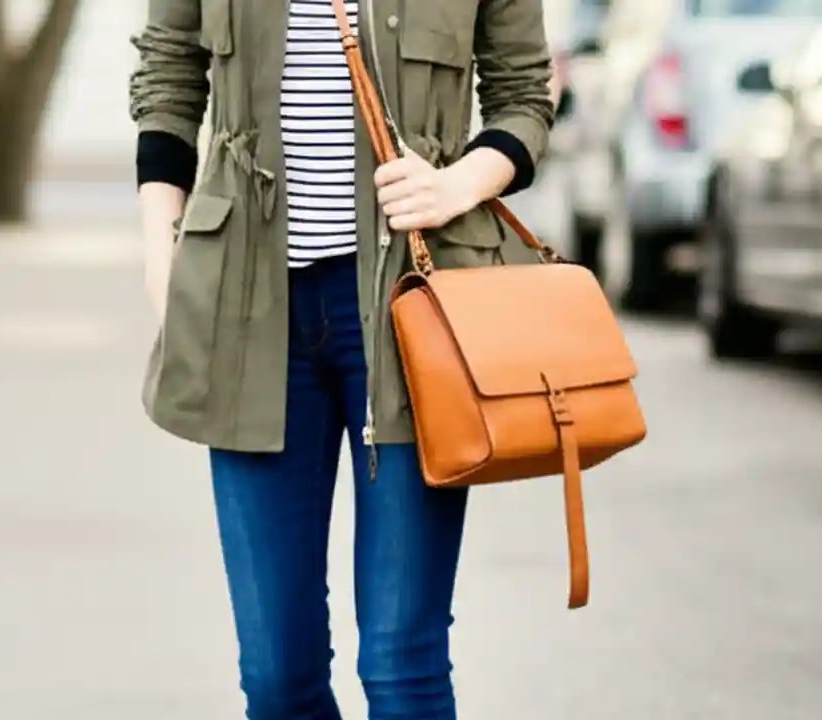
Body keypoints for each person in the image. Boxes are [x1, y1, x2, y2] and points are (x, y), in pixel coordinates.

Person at [130, 0, 551, 716]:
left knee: (400, 664)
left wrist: (455, 185)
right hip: (250, 314)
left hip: (412, 315)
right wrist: (159, 257)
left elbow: (525, 98)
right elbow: (169, 75)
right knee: (276, 675)